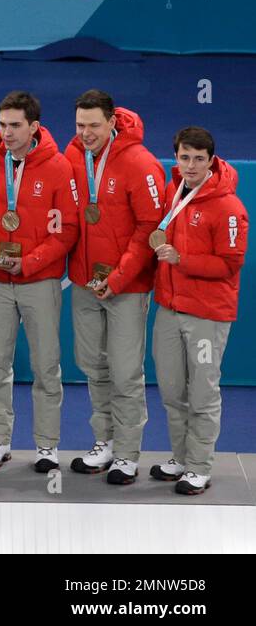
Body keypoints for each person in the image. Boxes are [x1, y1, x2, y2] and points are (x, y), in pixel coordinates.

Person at [63, 91, 165, 485]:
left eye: (93, 125)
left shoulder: (140, 163)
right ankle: (103, 443)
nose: (86, 133)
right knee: (95, 368)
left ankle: (126, 453)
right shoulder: (73, 156)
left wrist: (118, 277)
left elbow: (148, 230)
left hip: (127, 286)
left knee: (125, 372)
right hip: (86, 283)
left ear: (112, 123)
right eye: (80, 125)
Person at [0, 91, 79, 472]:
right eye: (2, 125)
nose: (7, 133)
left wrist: (32, 263)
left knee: (46, 366)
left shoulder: (58, 167)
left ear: (34, 127)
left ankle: (47, 446)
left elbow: (67, 230)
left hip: (39, 281)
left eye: (16, 125)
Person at [150, 127, 247, 496]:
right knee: (173, 390)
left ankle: (199, 466)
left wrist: (182, 260)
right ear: (177, 157)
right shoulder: (173, 194)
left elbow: (231, 263)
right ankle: (180, 458)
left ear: (211, 161)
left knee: (202, 392)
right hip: (170, 309)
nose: (190, 165)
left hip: (207, 314)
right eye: (184, 157)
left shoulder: (229, 207)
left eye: (198, 159)